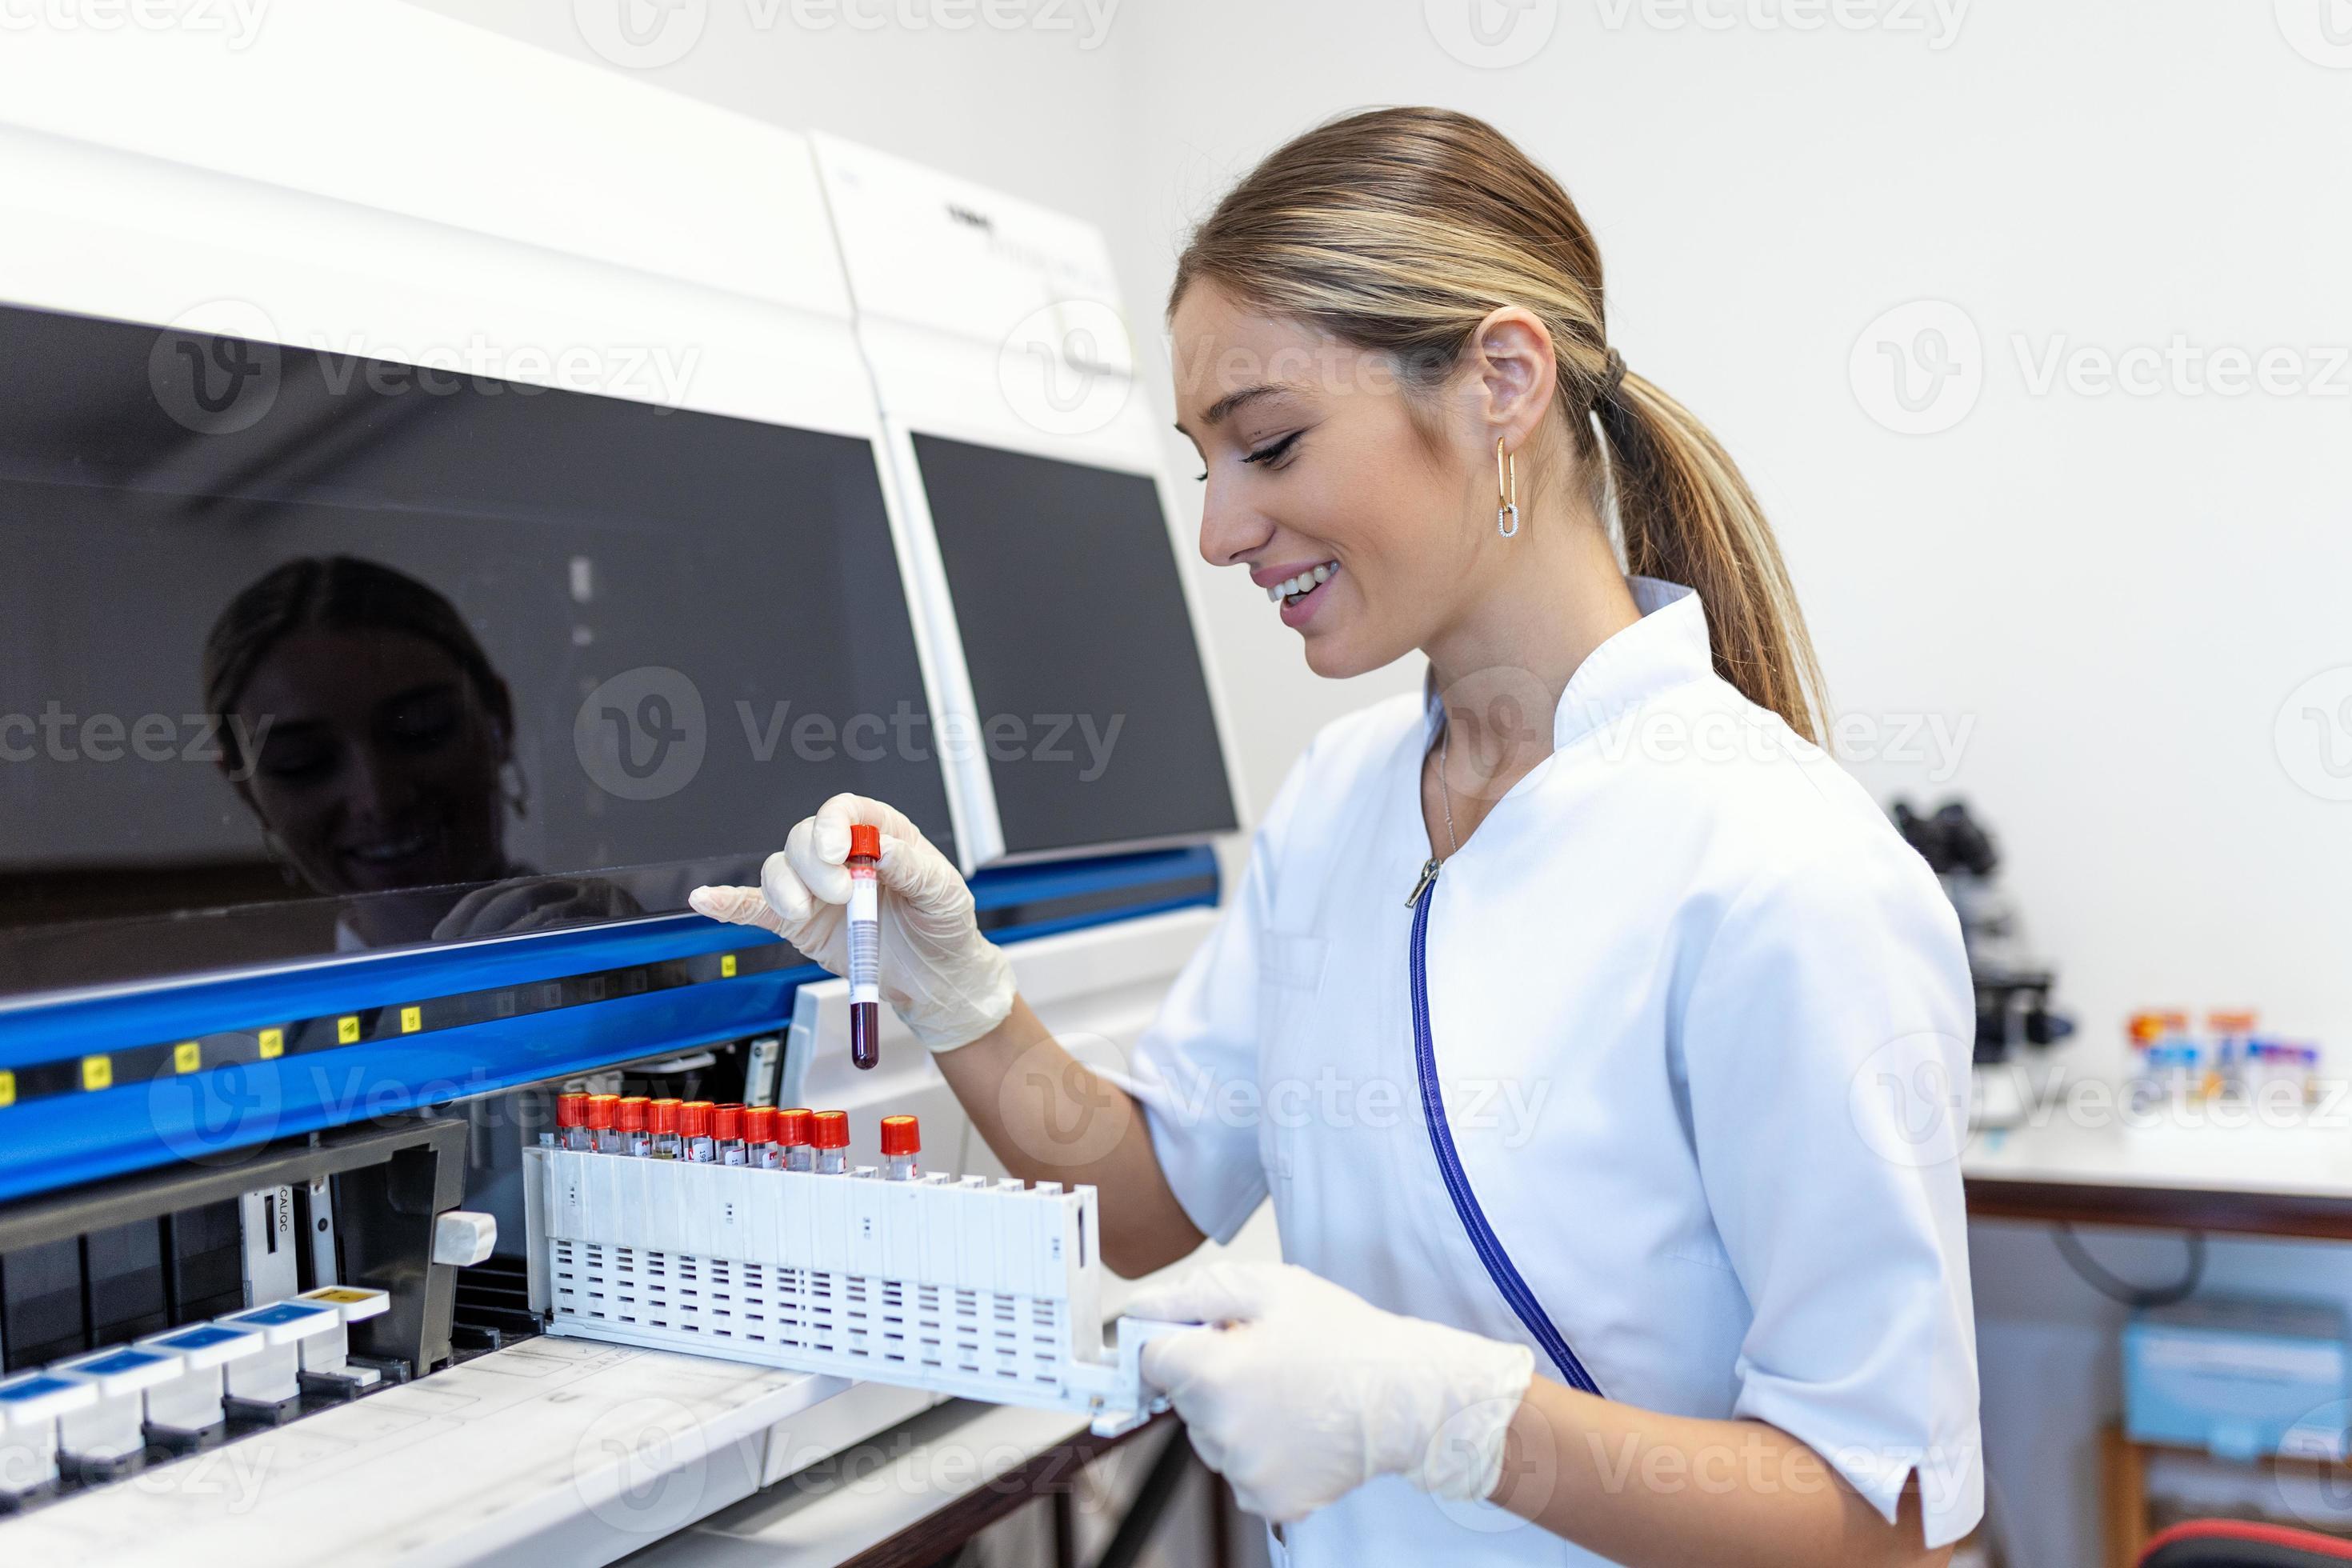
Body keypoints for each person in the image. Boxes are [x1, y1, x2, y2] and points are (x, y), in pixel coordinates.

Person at [692, 108, 1978, 1567]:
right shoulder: (1339, 803)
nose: (1221, 532)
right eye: (1204, 467)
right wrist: (959, 993)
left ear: (1502, 380)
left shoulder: (1780, 873)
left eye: (1271, 446)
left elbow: (1889, 1516)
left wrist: (1462, 1423)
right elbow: (1146, 1204)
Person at [203, 555, 637, 946]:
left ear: (498, 720)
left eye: (423, 730)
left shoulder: (683, 918)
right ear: (246, 792)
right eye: (302, 763)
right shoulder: (257, 1031)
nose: (380, 799)